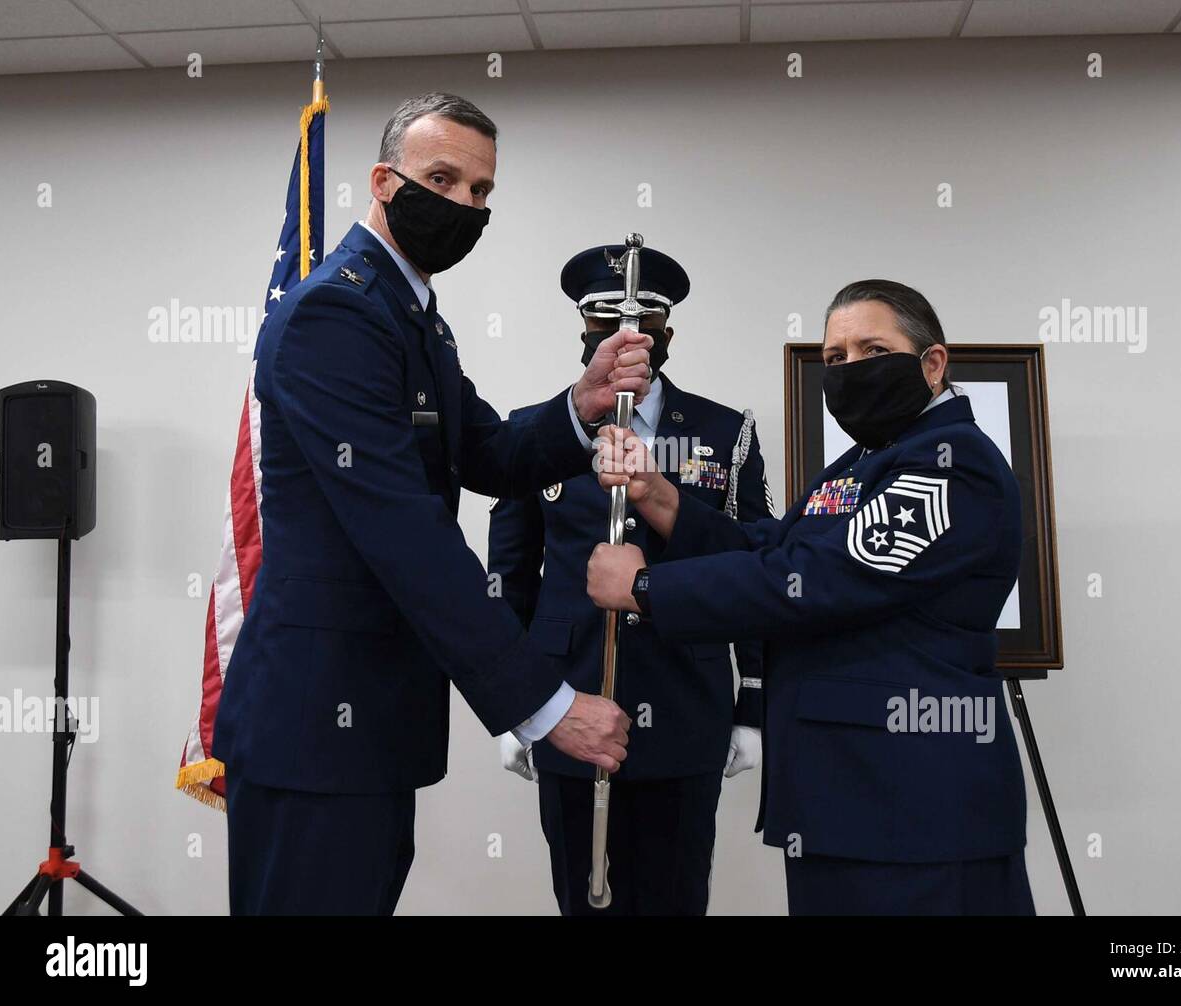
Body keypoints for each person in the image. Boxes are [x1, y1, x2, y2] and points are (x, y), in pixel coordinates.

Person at [214, 92, 647, 915]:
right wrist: (546, 707)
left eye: (481, 191)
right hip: (314, 726)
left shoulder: (411, 315)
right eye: (442, 178)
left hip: (369, 725)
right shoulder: (337, 312)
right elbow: (404, 531)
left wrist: (580, 404)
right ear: (383, 180)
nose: (464, 206)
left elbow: (483, 450)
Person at [587, 279, 1034, 915]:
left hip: (914, 809)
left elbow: (820, 580)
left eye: (872, 351)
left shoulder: (951, 463)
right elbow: (777, 551)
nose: (850, 371)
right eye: (835, 359)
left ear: (932, 365)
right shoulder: (863, 463)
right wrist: (659, 496)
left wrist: (644, 588)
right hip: (850, 803)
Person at [488, 243, 772, 915]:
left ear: (668, 329)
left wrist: (753, 700)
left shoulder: (722, 433)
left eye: (645, 314)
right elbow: (508, 580)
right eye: (606, 314)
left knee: (674, 897)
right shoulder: (535, 434)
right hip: (565, 701)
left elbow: (754, 570)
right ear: (582, 326)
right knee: (583, 896)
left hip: (685, 697)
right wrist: (514, 700)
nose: (627, 328)